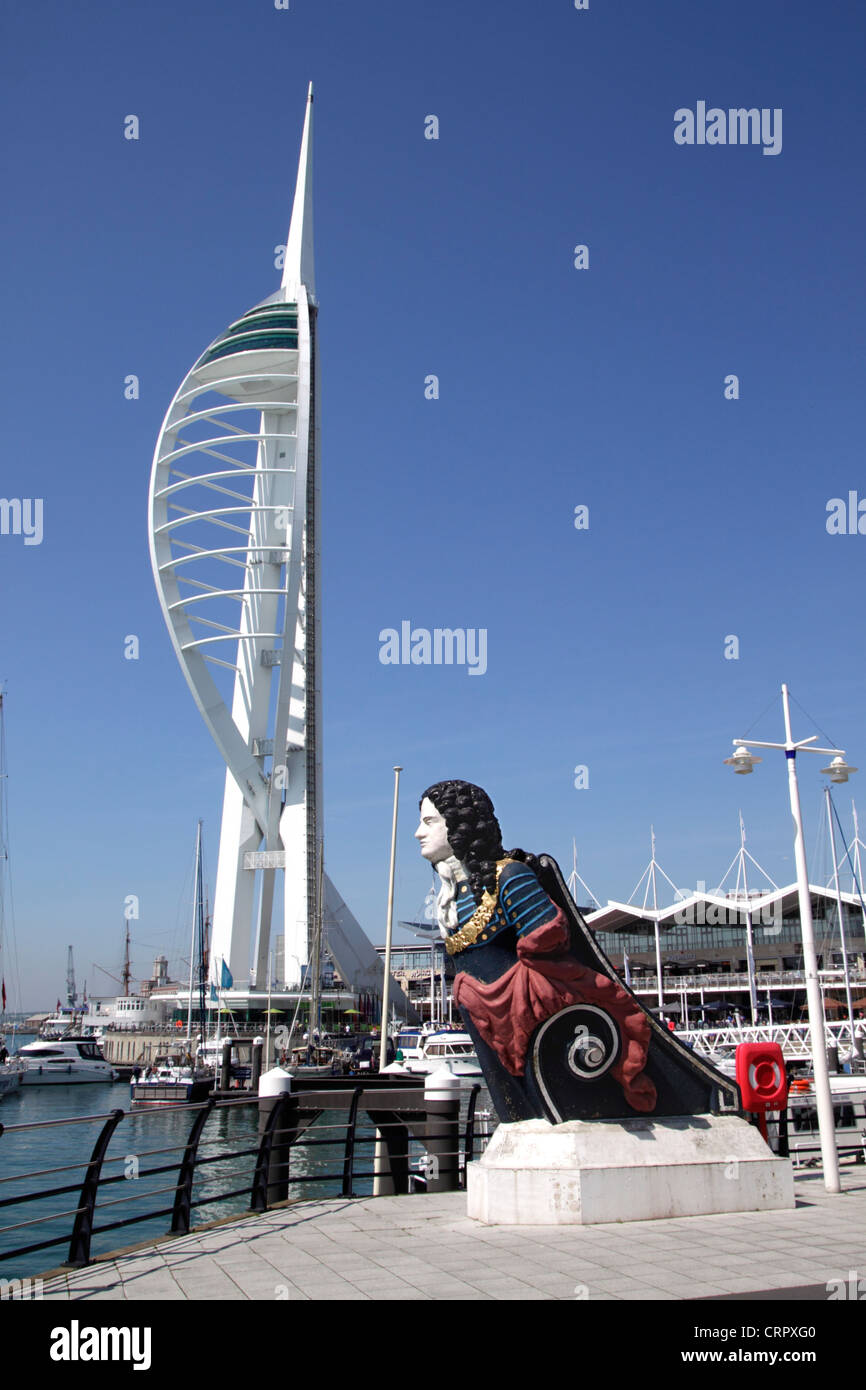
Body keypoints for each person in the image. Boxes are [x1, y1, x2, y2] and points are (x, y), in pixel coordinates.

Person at [415, 780, 657, 1123]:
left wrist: (529, 961)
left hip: (522, 1005)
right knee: (505, 1096)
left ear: (458, 823)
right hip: (480, 1009)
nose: (418, 833)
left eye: (429, 822)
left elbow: (549, 936)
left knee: (533, 1091)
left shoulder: (510, 877)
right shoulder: (454, 894)